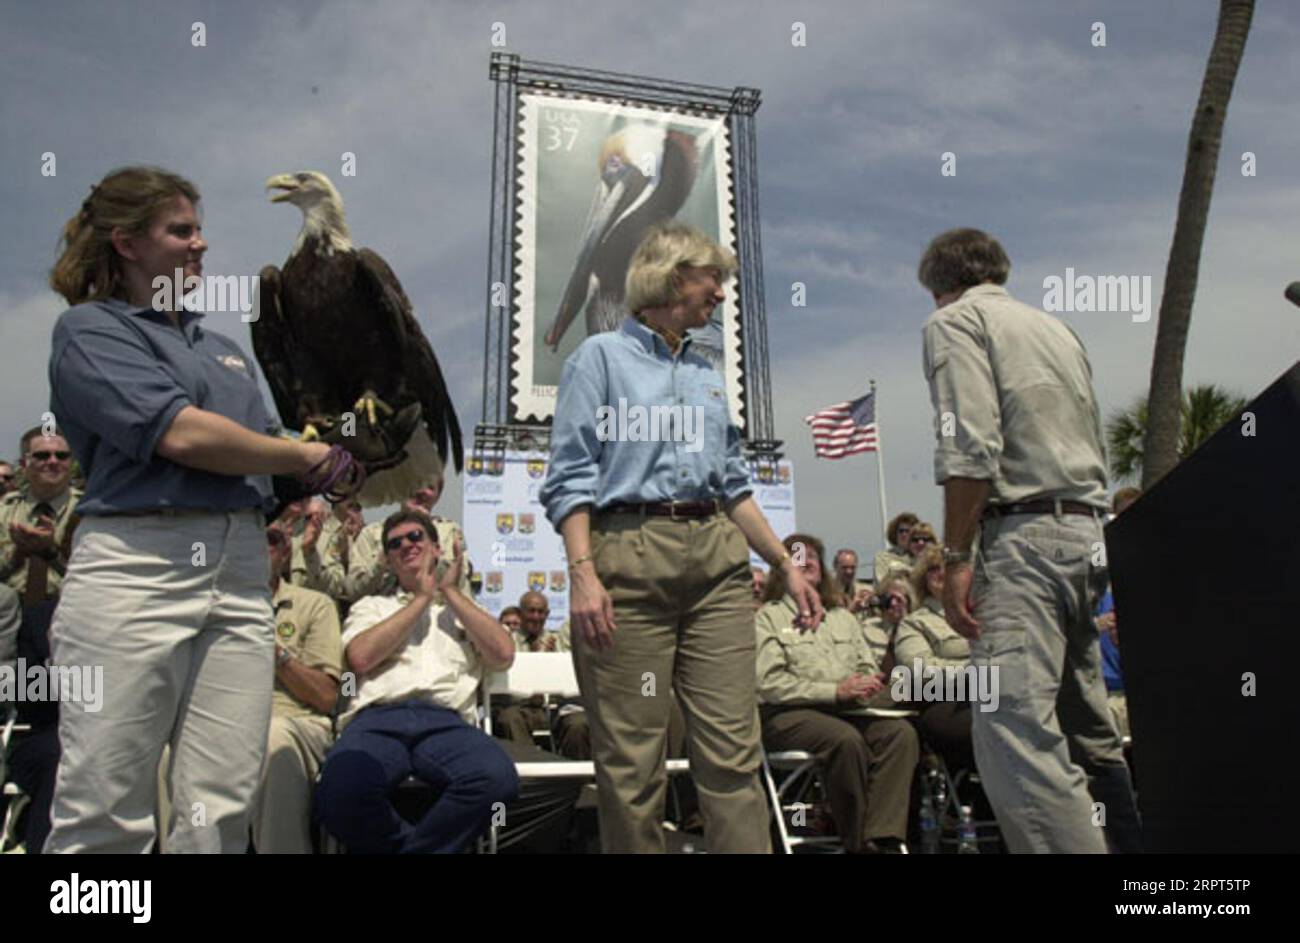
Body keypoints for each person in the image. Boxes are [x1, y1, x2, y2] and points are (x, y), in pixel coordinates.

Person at [41, 166, 357, 854]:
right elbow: (181, 435)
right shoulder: (91, 330)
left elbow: (269, 460)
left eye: (199, 229)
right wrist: (297, 456)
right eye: (180, 231)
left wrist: (339, 458)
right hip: (134, 568)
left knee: (219, 807)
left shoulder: (224, 351)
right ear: (126, 243)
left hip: (241, 572)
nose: (200, 245)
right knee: (104, 805)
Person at [541, 222, 823, 854]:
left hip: (718, 569)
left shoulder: (705, 370)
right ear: (672, 279)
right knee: (632, 763)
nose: (720, 295)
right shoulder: (598, 360)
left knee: (732, 753)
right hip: (626, 563)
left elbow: (734, 485)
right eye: (712, 281)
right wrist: (583, 573)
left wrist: (784, 563)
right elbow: (570, 479)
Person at [918, 226, 1140, 853]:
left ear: (940, 287)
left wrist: (957, 555)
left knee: (1018, 737)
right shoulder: (1056, 330)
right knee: (1085, 732)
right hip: (1085, 529)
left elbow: (970, 445)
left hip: (1021, 535)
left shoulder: (955, 323)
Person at [314, 510, 517, 853]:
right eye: (395, 544)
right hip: (377, 720)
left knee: (496, 781)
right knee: (339, 791)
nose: (406, 545)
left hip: (445, 723)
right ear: (387, 560)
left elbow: (503, 654)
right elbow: (361, 658)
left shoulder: (462, 611)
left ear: (437, 549)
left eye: (415, 538)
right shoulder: (371, 606)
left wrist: (449, 592)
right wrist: (422, 598)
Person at [755, 534, 919, 853]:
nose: (808, 560)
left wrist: (868, 682)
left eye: (814, 555)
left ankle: (881, 836)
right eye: (798, 555)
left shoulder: (842, 618)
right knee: (844, 740)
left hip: (848, 710)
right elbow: (768, 683)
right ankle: (856, 842)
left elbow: (865, 664)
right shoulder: (768, 618)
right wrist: (835, 691)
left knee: (899, 734)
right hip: (787, 715)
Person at [254, 523, 343, 853]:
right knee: (166, 753)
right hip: (224, 719)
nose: (261, 546)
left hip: (295, 720)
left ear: (286, 551)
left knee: (272, 738)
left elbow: (325, 697)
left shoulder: (315, 605)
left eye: (272, 540)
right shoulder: (212, 602)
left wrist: (277, 654)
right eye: (252, 534)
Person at [895, 545, 975, 772]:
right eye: (933, 569)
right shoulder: (914, 623)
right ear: (923, 579)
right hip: (945, 704)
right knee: (995, 728)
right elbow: (918, 671)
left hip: (998, 698)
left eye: (949, 566)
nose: (942, 572)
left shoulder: (986, 615)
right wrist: (974, 672)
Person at [0, 427, 82, 604]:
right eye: (42, 456)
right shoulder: (4, 511)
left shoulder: (87, 512)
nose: (53, 462)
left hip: (68, 608)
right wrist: (17, 555)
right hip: (9, 610)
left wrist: (51, 553)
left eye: (62, 456)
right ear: (23, 464)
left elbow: (94, 579)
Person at [860, 575, 912, 669]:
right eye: (889, 599)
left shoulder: (919, 628)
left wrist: (905, 622)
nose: (893, 604)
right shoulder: (869, 629)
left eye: (899, 600)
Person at [874, 512, 918, 584]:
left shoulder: (920, 558)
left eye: (907, 531)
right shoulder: (882, 557)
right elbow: (881, 583)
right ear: (895, 533)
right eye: (901, 531)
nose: (904, 534)